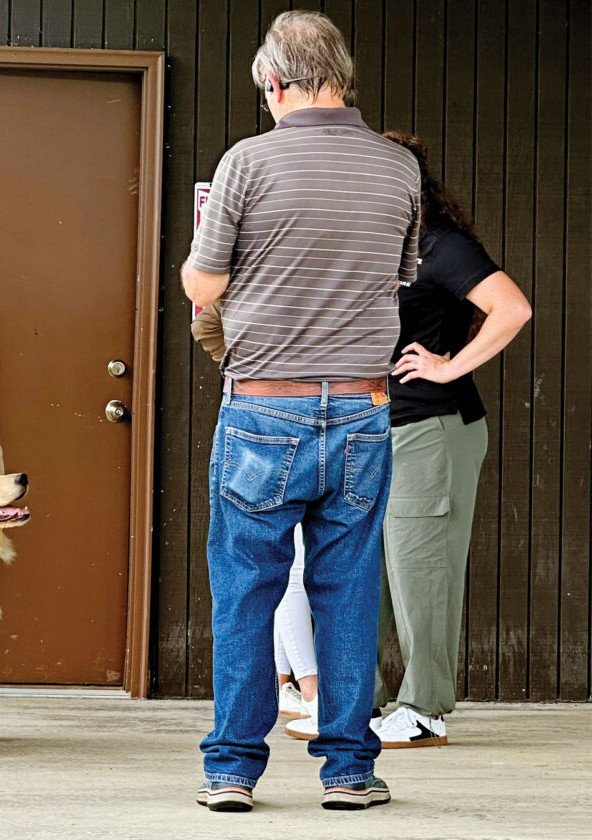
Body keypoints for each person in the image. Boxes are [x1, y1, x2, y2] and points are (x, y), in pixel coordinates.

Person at [182, 10, 420, 812]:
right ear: (341, 78)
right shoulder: (398, 170)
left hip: (264, 409)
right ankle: (350, 769)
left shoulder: (248, 163)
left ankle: (232, 770)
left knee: (247, 589)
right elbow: (395, 278)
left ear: (276, 84)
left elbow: (204, 287)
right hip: (362, 407)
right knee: (347, 589)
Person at [371, 131, 531, 747]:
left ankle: (425, 709)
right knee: (367, 575)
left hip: (431, 431)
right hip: (375, 429)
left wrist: (447, 364)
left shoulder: (439, 244)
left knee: (420, 572)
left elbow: (512, 308)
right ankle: (364, 704)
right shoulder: (376, 244)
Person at [192, 309, 317, 727]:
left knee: (259, 573)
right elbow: (207, 322)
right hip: (285, 413)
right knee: (285, 571)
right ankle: (312, 691)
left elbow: (205, 320)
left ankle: (284, 686)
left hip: (261, 408)